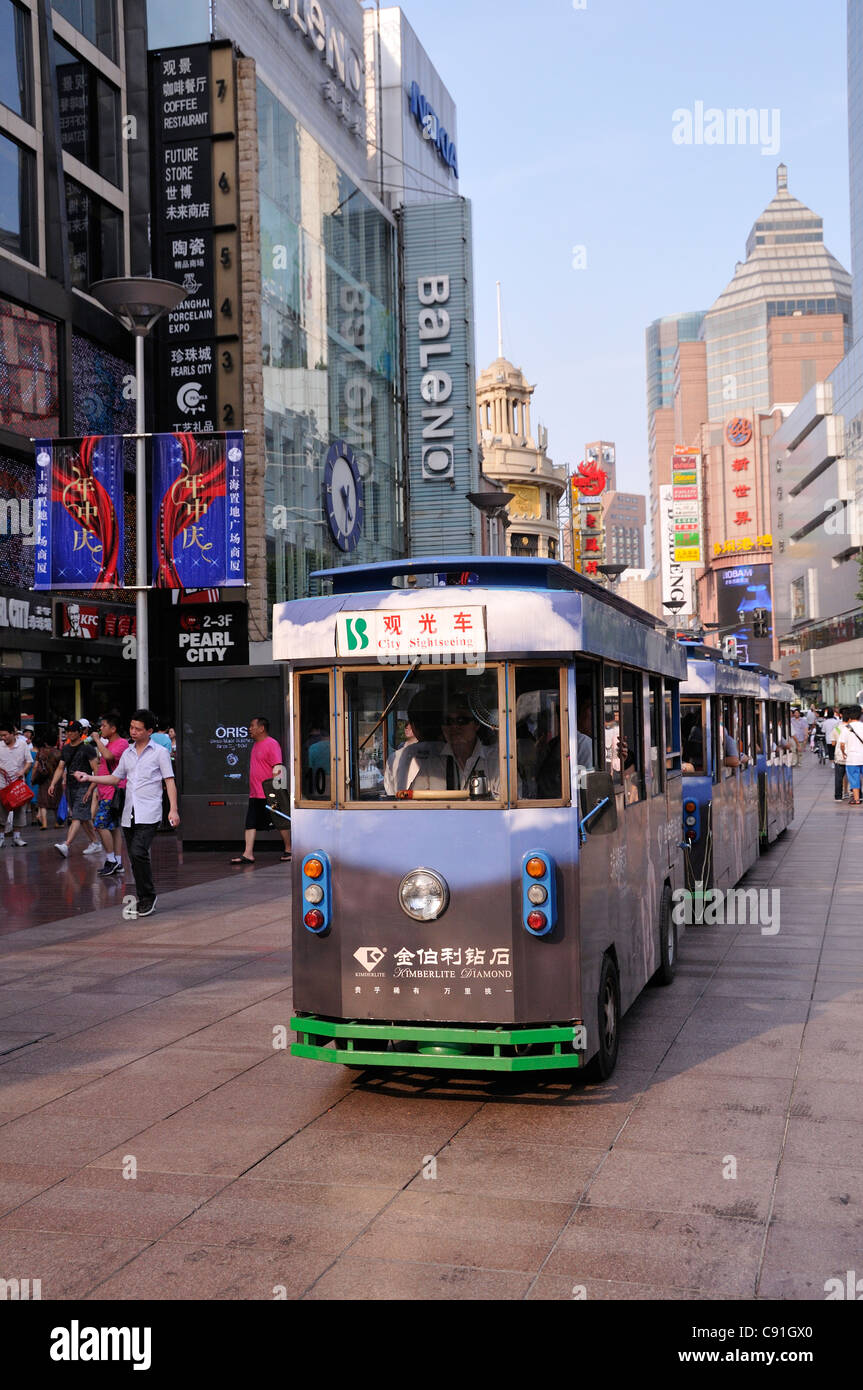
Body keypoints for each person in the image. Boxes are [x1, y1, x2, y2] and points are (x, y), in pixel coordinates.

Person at [74, 708, 179, 916]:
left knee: (139, 851)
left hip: (150, 811)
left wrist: (173, 809)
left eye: (138, 729)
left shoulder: (160, 753)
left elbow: (169, 781)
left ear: (149, 731)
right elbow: (115, 778)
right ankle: (143, 897)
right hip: (129, 811)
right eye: (131, 727)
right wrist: (90, 778)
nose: (133, 732)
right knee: (134, 856)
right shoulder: (128, 753)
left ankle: (148, 896)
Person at [388, 695, 500, 795]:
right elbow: (414, 804)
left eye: (461, 720)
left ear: (476, 724)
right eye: (448, 721)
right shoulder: (432, 765)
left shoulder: (497, 762)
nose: (454, 727)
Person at [230, 715, 291, 866]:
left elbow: (278, 766)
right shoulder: (256, 745)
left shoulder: (272, 744)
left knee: (280, 821)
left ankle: (289, 850)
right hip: (255, 793)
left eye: (252, 726)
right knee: (250, 822)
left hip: (269, 791)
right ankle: (248, 854)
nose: (249, 729)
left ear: (261, 728)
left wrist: (277, 789)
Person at [47, 721, 99, 857]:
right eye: (67, 731)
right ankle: (95, 842)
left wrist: (91, 789)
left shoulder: (88, 748)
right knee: (83, 817)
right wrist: (53, 784)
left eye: (72, 730)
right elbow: (60, 767)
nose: (69, 733)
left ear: (79, 732)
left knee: (76, 816)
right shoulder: (66, 748)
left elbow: (96, 770)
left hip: (84, 786)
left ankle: (66, 845)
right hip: (70, 787)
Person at [92, 713, 129, 878]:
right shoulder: (109, 743)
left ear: (113, 728)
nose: (101, 729)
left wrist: (97, 740)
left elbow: (108, 757)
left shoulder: (121, 743)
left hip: (113, 791)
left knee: (100, 824)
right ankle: (118, 862)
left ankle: (111, 860)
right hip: (104, 791)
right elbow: (102, 767)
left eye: (104, 726)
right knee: (113, 827)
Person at [0, 724, 31, 848]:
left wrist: (22, 771)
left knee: (19, 811)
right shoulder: (0, 745)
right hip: (2, 785)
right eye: (1, 735)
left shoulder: (22, 745)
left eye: (5, 735)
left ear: (13, 733)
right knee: (1, 812)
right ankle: (1, 838)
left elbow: (29, 761)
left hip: (18, 785)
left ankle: (17, 837)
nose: (3, 738)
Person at [31, 736, 61, 830]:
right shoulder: (59, 753)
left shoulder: (41, 752)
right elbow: (62, 768)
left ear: (45, 743)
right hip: (56, 779)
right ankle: (57, 822)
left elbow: (35, 766)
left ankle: (44, 824)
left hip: (43, 779)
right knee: (56, 801)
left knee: (43, 803)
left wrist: (33, 778)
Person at [837, 708, 863, 807]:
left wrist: (844, 753)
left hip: (852, 758)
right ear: (860, 716)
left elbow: (842, 744)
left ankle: (856, 799)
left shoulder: (846, 728)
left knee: (854, 778)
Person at [832, 710, 850, 801]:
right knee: (854, 776)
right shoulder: (851, 728)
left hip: (839, 756)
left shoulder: (837, 728)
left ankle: (838, 796)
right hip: (851, 755)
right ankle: (855, 794)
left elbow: (832, 743)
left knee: (839, 777)